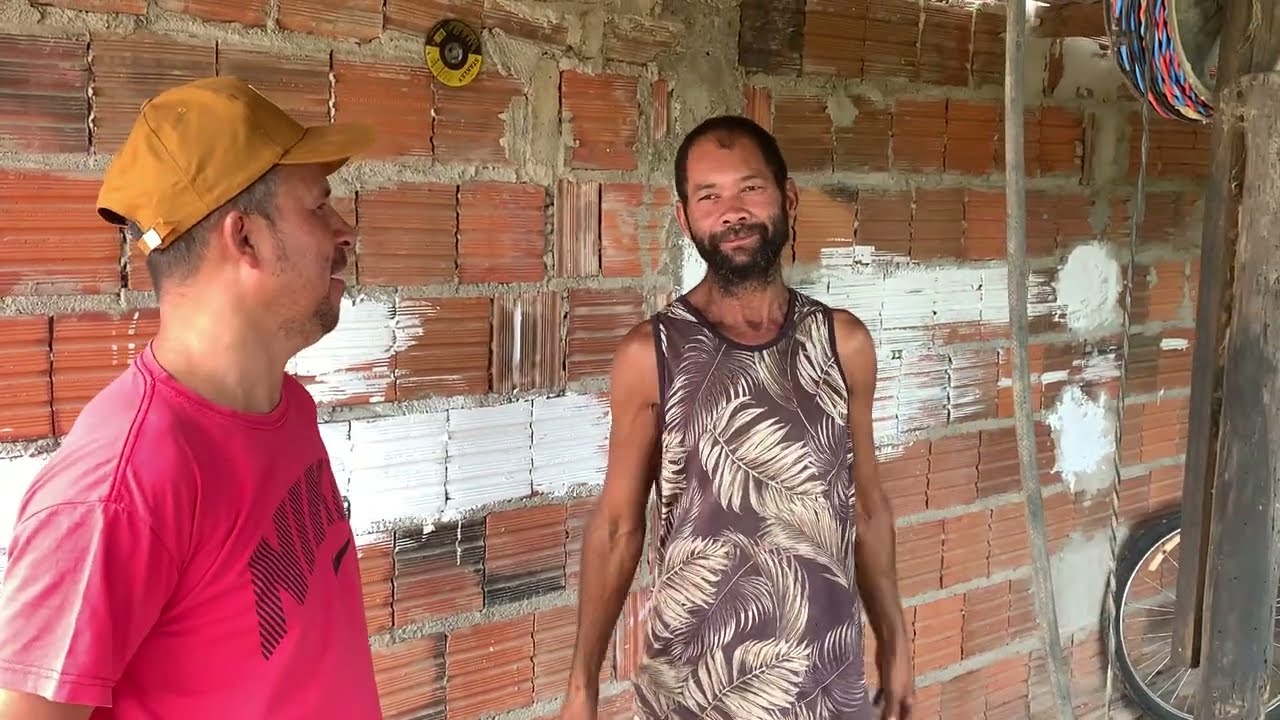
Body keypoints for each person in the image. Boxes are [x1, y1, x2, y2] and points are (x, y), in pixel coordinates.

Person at [0, 76, 382, 720]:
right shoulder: (124, 485)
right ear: (246, 239)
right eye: (318, 206)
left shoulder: (284, 407)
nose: (345, 231)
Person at [562, 115, 915, 720]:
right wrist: (582, 687)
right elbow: (619, 527)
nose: (732, 211)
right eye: (709, 196)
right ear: (685, 220)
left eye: (749, 188)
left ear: (788, 197)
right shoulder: (652, 355)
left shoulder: (842, 344)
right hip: (697, 694)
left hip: (827, 687)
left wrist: (896, 639)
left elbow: (867, 507)